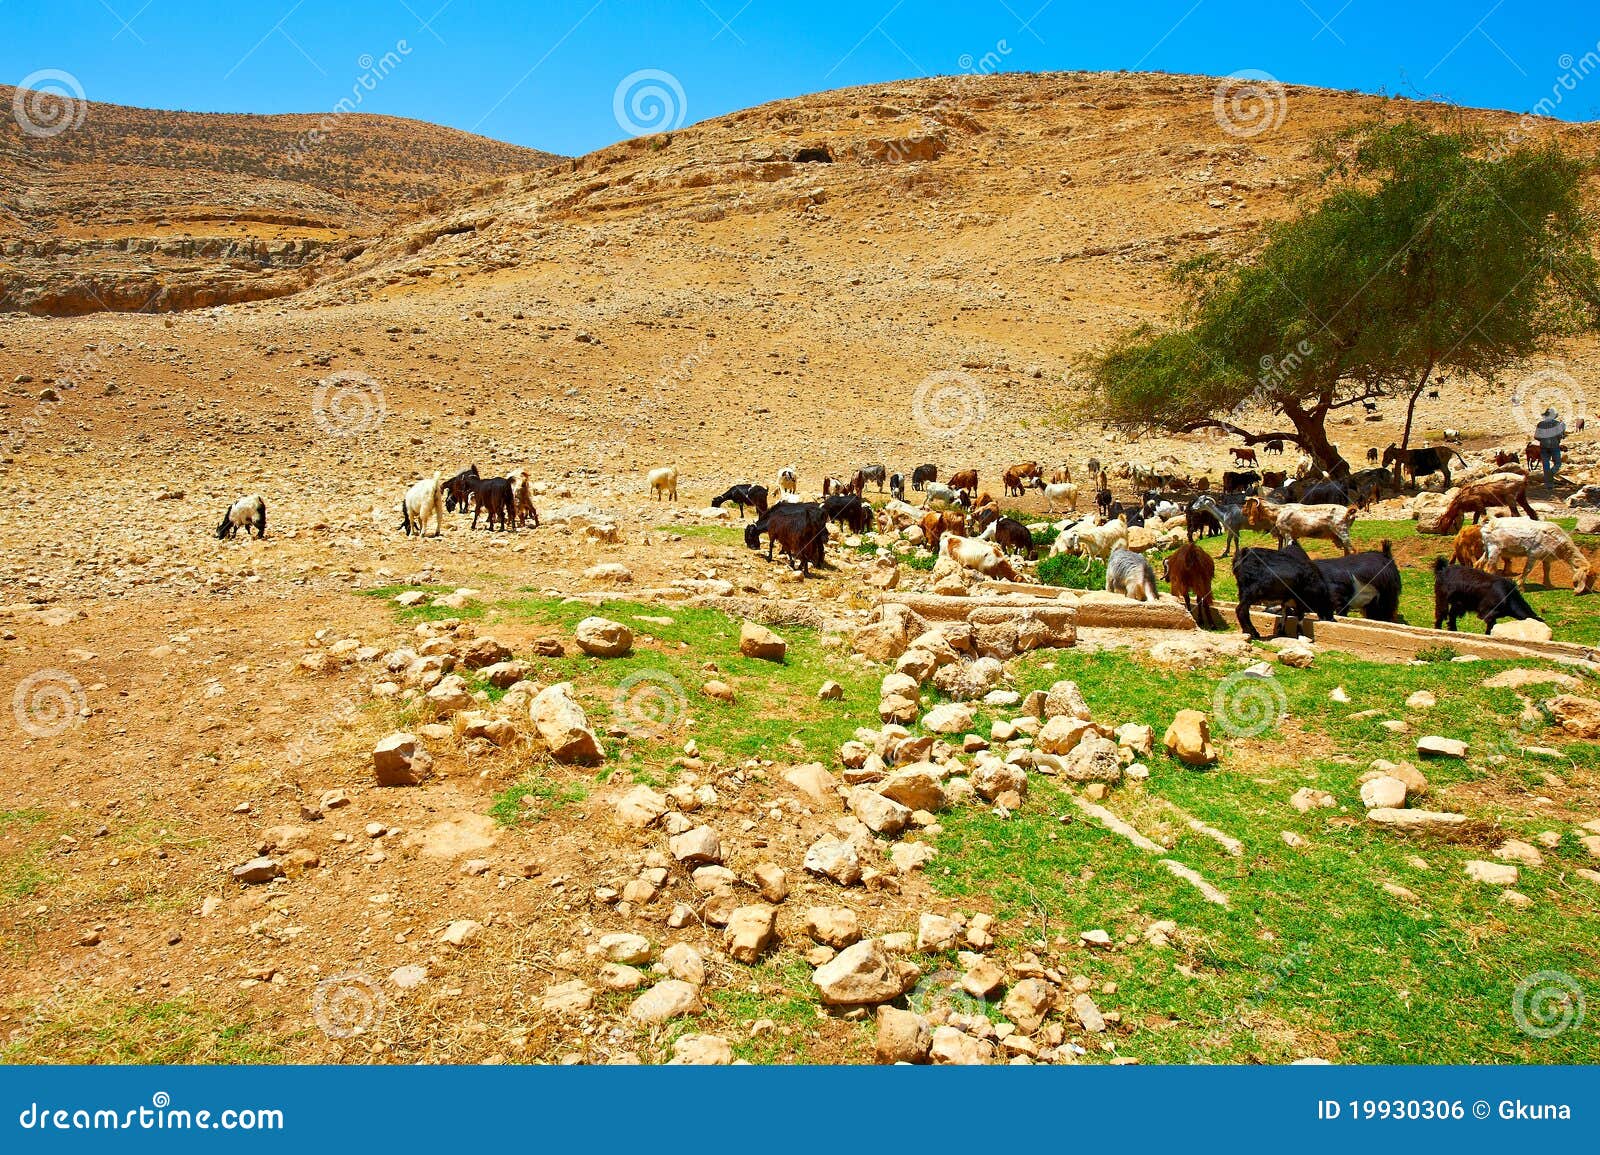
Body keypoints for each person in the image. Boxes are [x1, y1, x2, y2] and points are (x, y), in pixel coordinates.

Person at [1534, 407, 1567, 486]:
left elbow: (1536, 436)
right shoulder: (1557, 424)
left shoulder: (1540, 424)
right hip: (1554, 445)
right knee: (1557, 463)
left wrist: (1543, 440)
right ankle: (1550, 475)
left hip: (1543, 446)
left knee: (1545, 464)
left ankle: (1548, 483)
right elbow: (1560, 435)